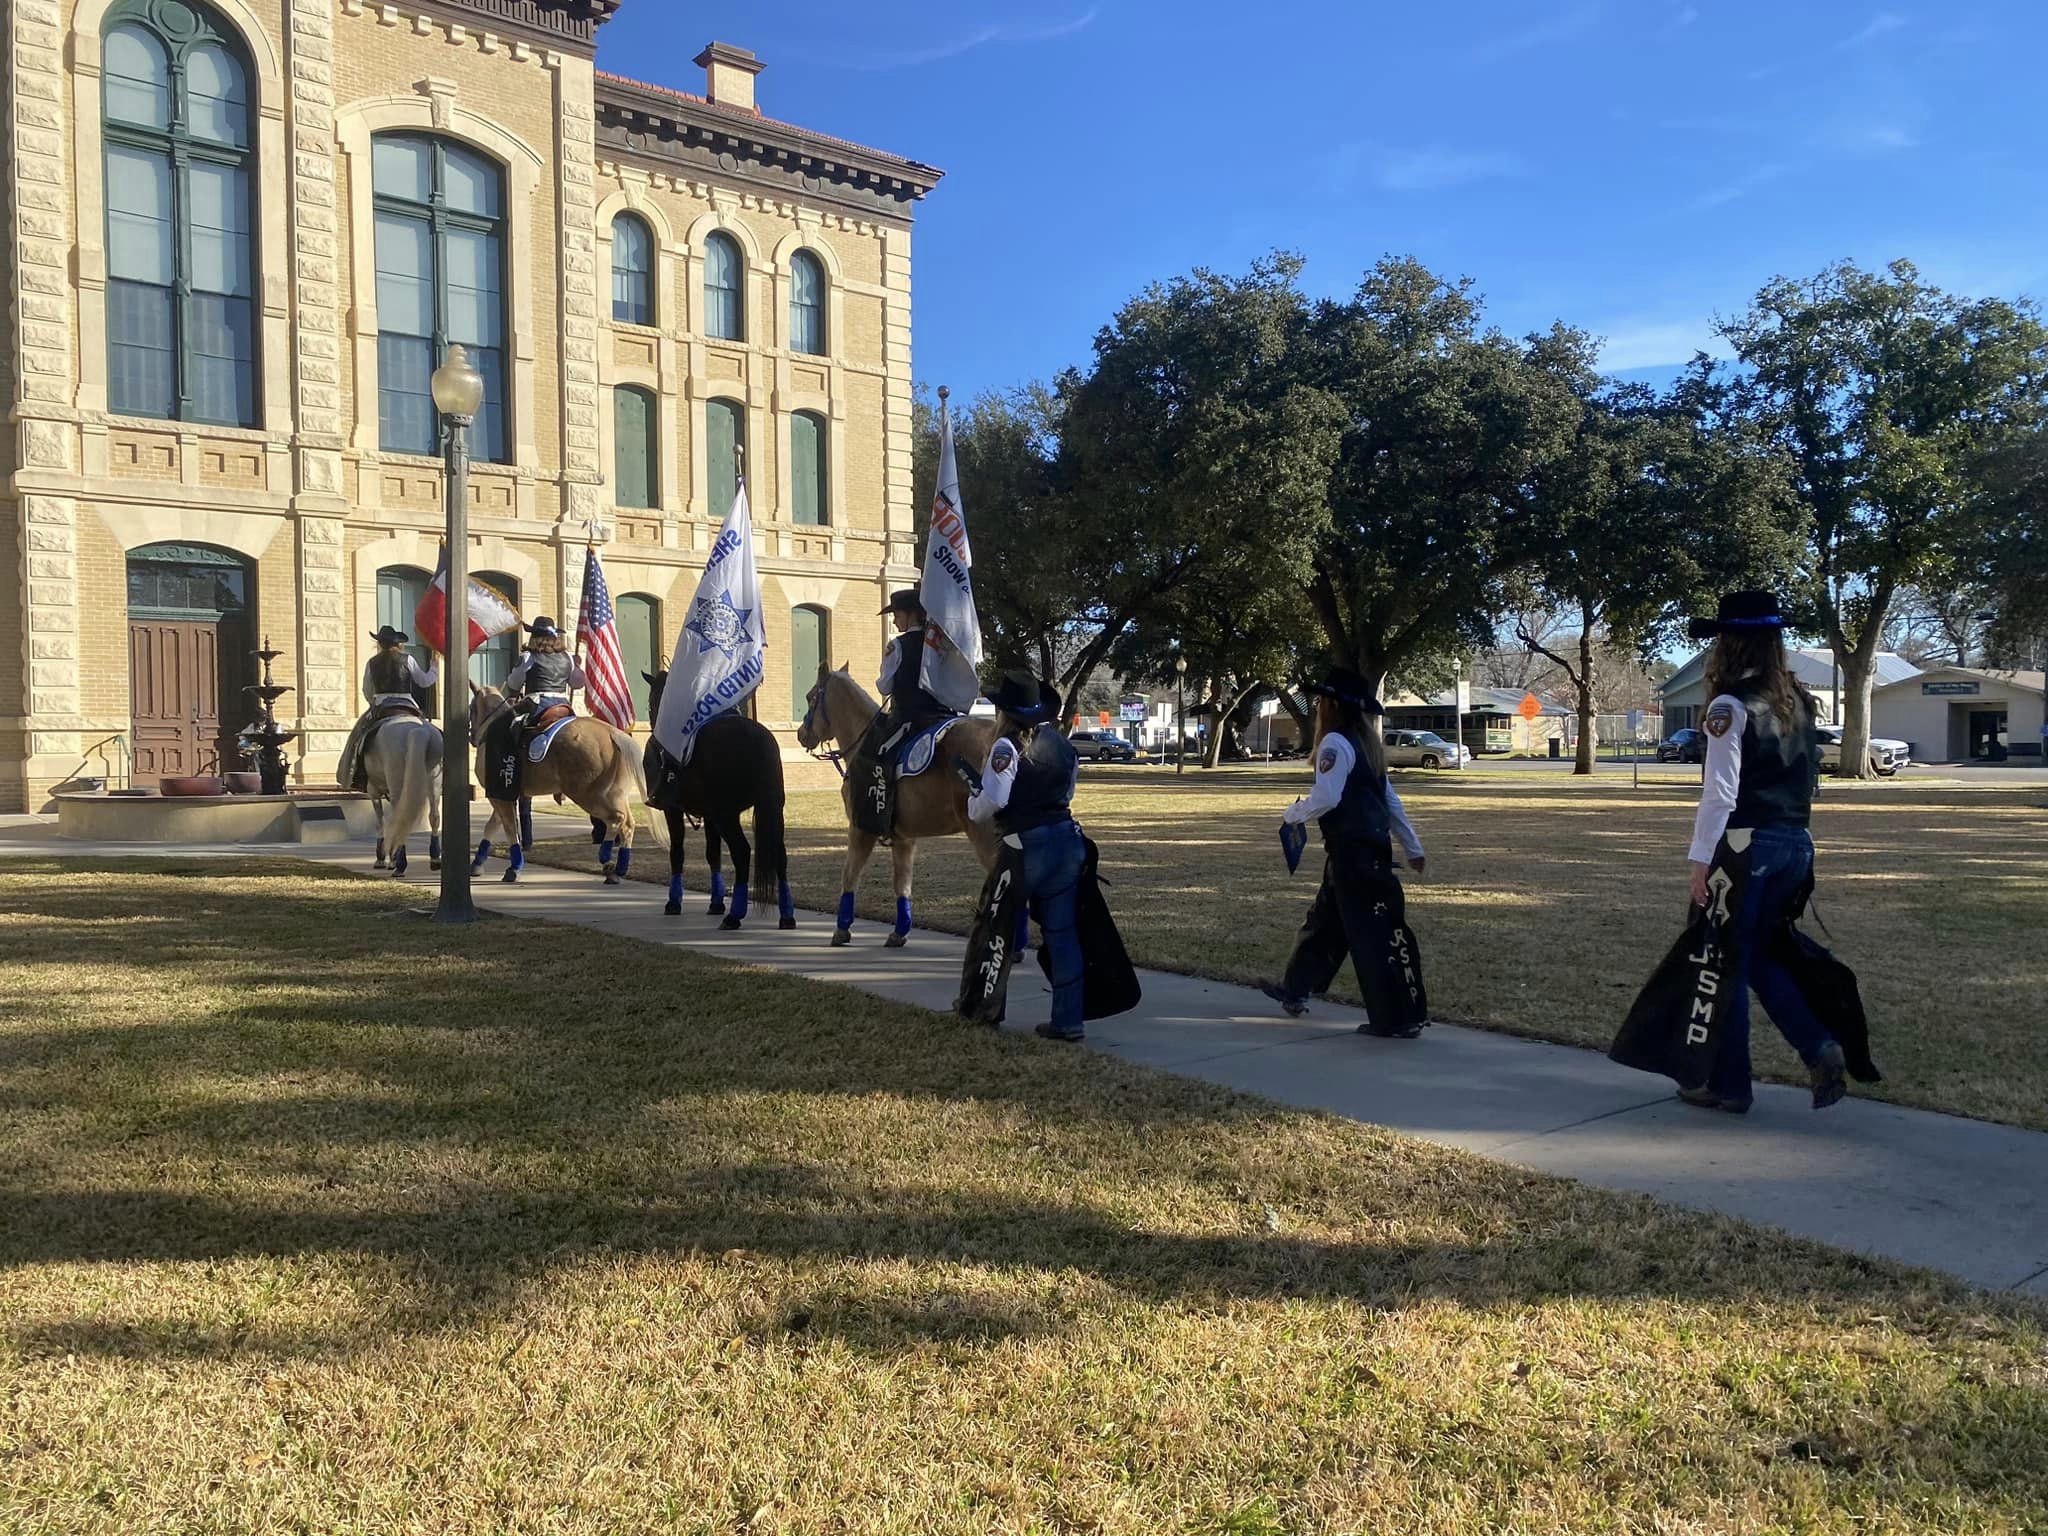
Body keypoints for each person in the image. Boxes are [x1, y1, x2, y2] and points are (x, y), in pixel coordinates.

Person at [1675, 590, 1848, 1113]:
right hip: (1797, 842)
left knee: (1723, 962)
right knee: (1759, 958)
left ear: (1727, 645)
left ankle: (1728, 1085)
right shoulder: (1798, 702)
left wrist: (1700, 858)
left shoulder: (1729, 707)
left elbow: (1720, 793)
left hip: (1745, 845)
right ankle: (1819, 1046)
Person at [1260, 666, 1430, 1038]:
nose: (1318, 705)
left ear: (1334, 704)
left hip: (1352, 856)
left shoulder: (1336, 743)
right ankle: (1296, 989)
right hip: (1364, 853)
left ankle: (1397, 1018)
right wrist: (1412, 847)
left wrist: (1293, 814)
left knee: (1371, 936)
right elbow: (1391, 802)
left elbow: (1327, 797)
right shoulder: (1365, 745)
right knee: (1325, 922)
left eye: (1321, 700)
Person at [962, 670, 1087, 1040]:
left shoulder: (1006, 747)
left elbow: (994, 801)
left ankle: (983, 1008)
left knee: (995, 929)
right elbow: (1068, 792)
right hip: (1066, 844)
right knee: (1062, 934)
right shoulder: (1064, 746)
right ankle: (1068, 1020)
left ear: (1005, 711)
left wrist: (973, 803)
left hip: (1023, 848)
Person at [850, 588, 950, 836]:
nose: (894, 620)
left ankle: (884, 818)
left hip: (909, 718)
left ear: (911, 615)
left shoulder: (897, 645)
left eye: (897, 614)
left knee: (878, 755)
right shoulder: (937, 643)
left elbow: (884, 686)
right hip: (943, 715)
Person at [336, 626, 438, 790]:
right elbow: (424, 681)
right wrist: (434, 668)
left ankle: (355, 775)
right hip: (408, 703)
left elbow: (367, 689)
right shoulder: (408, 659)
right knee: (428, 727)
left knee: (357, 737)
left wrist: (373, 702)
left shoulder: (372, 663)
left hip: (381, 703)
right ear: (398, 644)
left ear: (380, 643)